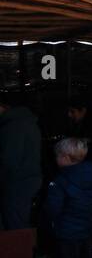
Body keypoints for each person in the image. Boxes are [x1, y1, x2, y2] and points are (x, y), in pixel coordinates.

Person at [0, 95, 43, 230]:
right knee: (19, 220)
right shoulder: (27, 122)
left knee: (15, 223)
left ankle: (20, 250)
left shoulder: (12, 126)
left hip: (16, 182)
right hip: (27, 178)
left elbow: (9, 159)